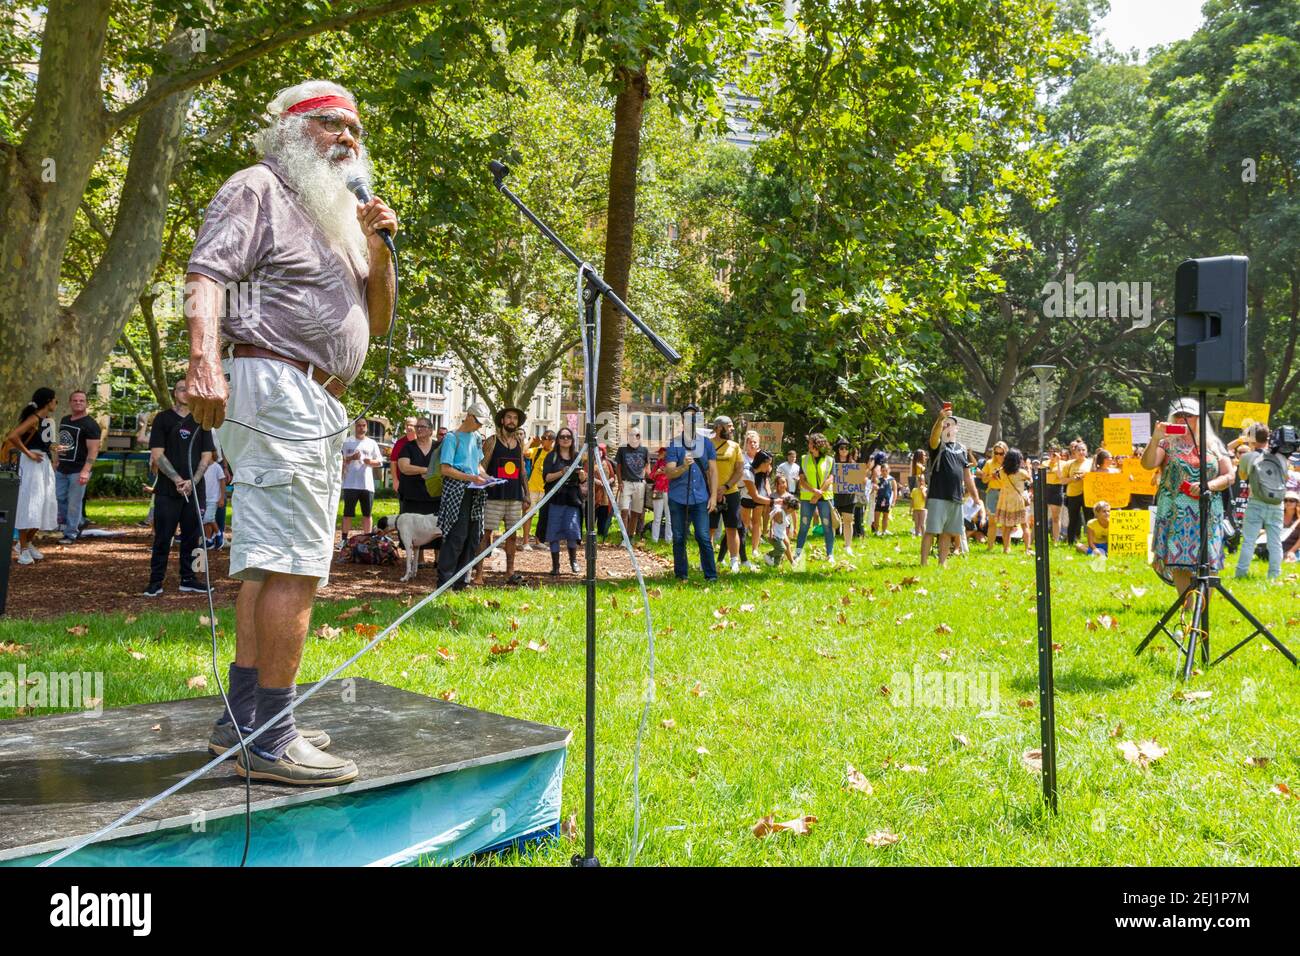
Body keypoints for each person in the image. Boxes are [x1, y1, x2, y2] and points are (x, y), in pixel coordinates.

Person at [185, 80, 398, 785]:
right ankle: (273, 740)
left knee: (268, 561)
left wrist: (378, 247)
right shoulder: (259, 186)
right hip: (278, 387)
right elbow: (207, 275)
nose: (348, 138)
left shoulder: (338, 218)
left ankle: (243, 719)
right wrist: (202, 362)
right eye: (332, 124)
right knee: (299, 565)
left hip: (305, 398)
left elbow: (380, 322)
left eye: (355, 130)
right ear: (288, 130)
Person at [1142, 398, 1232, 594]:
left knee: (1207, 562)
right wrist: (1155, 437)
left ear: (1198, 419)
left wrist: (1209, 485)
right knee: (1179, 562)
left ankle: (1202, 612)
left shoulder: (1213, 444)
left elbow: (1229, 475)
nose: (1183, 419)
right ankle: (1188, 609)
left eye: (1188, 415)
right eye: (1178, 415)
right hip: (1175, 514)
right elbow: (1147, 464)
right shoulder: (1166, 444)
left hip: (1207, 512)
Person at [144, 380, 215, 596]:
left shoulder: (201, 421)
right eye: (181, 389)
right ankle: (155, 581)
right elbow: (157, 454)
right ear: (175, 393)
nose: (186, 392)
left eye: (190, 389)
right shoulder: (163, 419)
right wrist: (176, 479)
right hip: (168, 490)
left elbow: (207, 456)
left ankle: (190, 578)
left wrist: (192, 481)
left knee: (194, 537)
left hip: (195, 491)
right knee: (163, 537)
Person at [437, 403, 491, 590]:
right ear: (468, 416)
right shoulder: (452, 438)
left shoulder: (476, 438)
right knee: (456, 537)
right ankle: (444, 583)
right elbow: (445, 469)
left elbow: (478, 464)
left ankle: (462, 581)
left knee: (473, 537)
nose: (479, 426)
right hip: (456, 491)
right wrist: (471, 477)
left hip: (474, 491)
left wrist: (487, 478)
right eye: (477, 421)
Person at [4, 387, 60, 565]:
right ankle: (23, 549)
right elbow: (13, 436)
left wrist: (52, 448)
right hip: (30, 466)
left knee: (45, 503)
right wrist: (28, 454)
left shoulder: (46, 420)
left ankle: (26, 543)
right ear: (48, 401)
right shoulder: (34, 418)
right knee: (28, 504)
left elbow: (40, 442)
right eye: (55, 400)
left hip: (43, 464)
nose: (56, 403)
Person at [475, 406, 530, 586]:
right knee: (486, 534)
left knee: (512, 535)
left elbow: (522, 470)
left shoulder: (519, 443)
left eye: (515, 418)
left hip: (514, 496)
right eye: (509, 417)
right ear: (502, 420)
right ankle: (479, 574)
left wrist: (526, 494)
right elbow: (481, 465)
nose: (512, 421)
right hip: (493, 496)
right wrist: (484, 482)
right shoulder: (492, 441)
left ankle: (509, 572)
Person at [664, 404, 718, 582]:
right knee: (679, 537)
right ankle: (681, 575)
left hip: (701, 498)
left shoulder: (707, 444)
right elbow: (669, 472)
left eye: (695, 417)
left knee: (703, 536)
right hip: (678, 498)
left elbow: (713, 471)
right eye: (688, 417)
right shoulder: (674, 444)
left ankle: (711, 576)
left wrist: (714, 497)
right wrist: (683, 467)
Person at [922, 408, 979, 567]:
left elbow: (967, 475)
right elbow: (933, 437)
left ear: (957, 428)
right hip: (938, 495)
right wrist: (940, 420)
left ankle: (942, 562)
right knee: (932, 531)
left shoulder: (962, 449)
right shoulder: (937, 445)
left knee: (948, 532)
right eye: (945, 424)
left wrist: (975, 496)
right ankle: (924, 563)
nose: (948, 427)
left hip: (956, 496)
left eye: (951, 424)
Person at [1234, 423, 1285, 581]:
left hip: (1256, 501)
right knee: (1275, 542)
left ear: (1252, 438)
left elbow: (1242, 476)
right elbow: (1285, 477)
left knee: (1249, 540)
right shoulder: (1281, 456)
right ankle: (1274, 576)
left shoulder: (1248, 456)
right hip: (1277, 503)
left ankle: (1241, 574)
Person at [54, 389, 101, 544]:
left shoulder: (91, 425)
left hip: (78, 470)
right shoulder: (65, 420)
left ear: (86, 403)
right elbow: (62, 443)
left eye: (81, 400)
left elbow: (94, 450)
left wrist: (85, 471)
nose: (78, 403)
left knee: (74, 502)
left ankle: (71, 534)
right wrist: (56, 460)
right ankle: (79, 521)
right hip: (62, 468)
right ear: (70, 402)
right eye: (75, 400)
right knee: (59, 497)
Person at [542, 427, 585, 575]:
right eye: (562, 437)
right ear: (558, 440)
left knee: (572, 531)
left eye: (568, 437)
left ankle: (573, 562)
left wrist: (582, 475)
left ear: (572, 440)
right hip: (555, 499)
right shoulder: (551, 457)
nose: (565, 439)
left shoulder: (577, 456)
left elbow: (583, 480)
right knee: (553, 533)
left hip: (572, 499)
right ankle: (556, 566)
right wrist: (562, 472)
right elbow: (546, 478)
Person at [708, 416, 746, 571]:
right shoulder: (707, 444)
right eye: (729, 426)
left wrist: (725, 487)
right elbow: (705, 469)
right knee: (709, 529)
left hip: (731, 493)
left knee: (732, 527)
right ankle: (708, 561)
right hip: (711, 494)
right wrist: (714, 490)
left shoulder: (735, 446)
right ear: (718, 427)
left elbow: (739, 470)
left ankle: (734, 561)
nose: (732, 429)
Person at [339, 418, 382, 543]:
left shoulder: (372, 443)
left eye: (364, 425)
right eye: (359, 425)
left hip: (366, 485)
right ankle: (344, 540)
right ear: (355, 427)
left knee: (367, 514)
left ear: (367, 427)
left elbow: (379, 461)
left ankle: (367, 539)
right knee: (347, 514)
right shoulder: (347, 442)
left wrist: (370, 462)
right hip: (350, 483)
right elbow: (339, 460)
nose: (361, 428)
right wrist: (351, 457)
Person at [795, 433, 835, 564]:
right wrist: (814, 491)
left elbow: (830, 478)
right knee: (804, 525)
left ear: (817, 445)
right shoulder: (803, 459)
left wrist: (819, 493)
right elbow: (802, 480)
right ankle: (798, 553)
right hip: (808, 497)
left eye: (810, 443)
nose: (808, 445)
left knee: (827, 526)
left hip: (825, 497)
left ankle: (830, 555)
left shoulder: (830, 459)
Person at [397, 418, 440, 520]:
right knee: (410, 531)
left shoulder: (439, 448)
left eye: (422, 426)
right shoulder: (408, 447)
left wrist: (419, 470)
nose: (419, 429)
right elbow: (404, 468)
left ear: (430, 430)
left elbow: (444, 468)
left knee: (433, 531)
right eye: (417, 427)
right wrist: (427, 470)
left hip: (434, 498)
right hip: (411, 497)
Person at [740, 429, 771, 562]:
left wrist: (769, 493)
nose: (753, 444)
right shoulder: (742, 457)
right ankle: (739, 548)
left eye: (755, 442)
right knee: (745, 522)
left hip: (760, 493)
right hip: (746, 493)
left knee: (757, 522)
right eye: (750, 442)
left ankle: (755, 549)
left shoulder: (763, 457)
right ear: (746, 443)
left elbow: (765, 478)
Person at [992, 447, 1030, 553]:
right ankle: (1027, 548)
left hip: (1005, 500)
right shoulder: (1021, 472)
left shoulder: (1002, 472)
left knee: (1007, 527)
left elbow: (996, 476)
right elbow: (1030, 478)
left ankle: (1006, 548)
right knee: (1024, 525)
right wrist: (1028, 466)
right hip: (1018, 501)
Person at [615, 427, 650, 540]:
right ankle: (624, 537)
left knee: (635, 512)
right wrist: (620, 482)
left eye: (634, 435)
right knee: (624, 511)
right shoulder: (622, 449)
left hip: (639, 483)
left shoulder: (644, 450)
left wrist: (650, 478)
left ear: (639, 437)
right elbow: (618, 467)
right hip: (626, 483)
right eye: (629, 435)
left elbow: (647, 467)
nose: (631, 437)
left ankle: (630, 536)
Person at [522, 430, 553, 549]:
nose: (543, 440)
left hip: (546, 489)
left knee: (544, 516)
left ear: (552, 441)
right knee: (528, 515)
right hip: (533, 488)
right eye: (543, 437)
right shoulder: (537, 451)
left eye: (546, 438)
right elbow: (524, 452)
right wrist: (531, 440)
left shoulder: (554, 454)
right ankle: (525, 542)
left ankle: (539, 540)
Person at [831, 439, 859, 557]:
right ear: (838, 449)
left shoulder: (853, 464)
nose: (844, 450)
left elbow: (857, 481)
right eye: (841, 448)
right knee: (833, 522)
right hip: (834, 496)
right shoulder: (832, 463)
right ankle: (830, 546)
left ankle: (848, 546)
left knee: (848, 521)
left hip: (849, 497)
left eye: (846, 448)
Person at [1063, 440, 1092, 545]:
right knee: (1073, 520)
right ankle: (1071, 542)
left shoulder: (1091, 462)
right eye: (1079, 450)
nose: (1081, 452)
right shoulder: (1069, 464)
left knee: (1089, 520)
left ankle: (1091, 541)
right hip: (1073, 494)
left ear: (1087, 451)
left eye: (1083, 450)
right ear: (1074, 452)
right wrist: (1072, 479)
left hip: (1087, 494)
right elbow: (1063, 480)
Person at [591, 443, 618, 541]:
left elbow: (612, 476)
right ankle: (591, 532)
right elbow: (586, 474)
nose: (599, 452)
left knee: (603, 512)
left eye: (601, 450)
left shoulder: (608, 463)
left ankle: (601, 532)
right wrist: (595, 481)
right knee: (593, 512)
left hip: (605, 493)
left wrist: (608, 482)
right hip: (594, 491)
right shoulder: (591, 462)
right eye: (597, 450)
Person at [647, 447, 673, 542]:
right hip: (658, 490)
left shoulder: (672, 462)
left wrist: (666, 471)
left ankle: (669, 540)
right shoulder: (658, 463)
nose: (659, 455)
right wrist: (657, 472)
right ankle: (654, 539)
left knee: (669, 517)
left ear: (666, 452)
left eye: (660, 453)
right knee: (657, 517)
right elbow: (651, 476)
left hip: (670, 491)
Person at [763, 494, 797, 567]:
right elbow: (771, 520)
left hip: (780, 534)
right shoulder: (779, 511)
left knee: (783, 549)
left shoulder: (785, 511)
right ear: (786, 505)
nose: (792, 511)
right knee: (781, 549)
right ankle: (768, 555)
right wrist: (771, 532)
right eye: (792, 509)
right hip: (775, 535)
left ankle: (775, 565)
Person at [1044, 445, 1066, 542]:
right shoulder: (1045, 463)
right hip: (1046, 488)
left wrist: (1058, 462)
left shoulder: (1063, 464)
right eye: (1050, 452)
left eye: (1055, 452)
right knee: (1042, 516)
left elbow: (1061, 476)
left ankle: (1055, 540)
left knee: (1055, 517)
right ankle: (1039, 538)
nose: (1052, 454)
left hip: (1057, 489)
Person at [389, 417, 416, 494]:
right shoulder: (399, 443)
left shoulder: (421, 442)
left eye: (412, 425)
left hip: (419, 482)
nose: (409, 427)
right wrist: (395, 480)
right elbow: (393, 462)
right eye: (407, 425)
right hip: (403, 482)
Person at [910, 448, 928, 535]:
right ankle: (918, 529)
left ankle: (918, 528)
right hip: (920, 486)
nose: (925, 457)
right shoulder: (919, 466)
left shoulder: (916, 465)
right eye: (924, 455)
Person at [873, 465, 896, 535]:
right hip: (879, 500)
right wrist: (875, 488)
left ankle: (884, 530)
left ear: (889, 470)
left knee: (885, 516)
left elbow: (895, 491)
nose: (884, 472)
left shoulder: (892, 480)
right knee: (876, 515)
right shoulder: (878, 479)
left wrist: (893, 501)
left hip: (887, 501)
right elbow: (875, 488)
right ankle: (876, 530)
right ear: (881, 471)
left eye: (886, 470)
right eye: (883, 470)